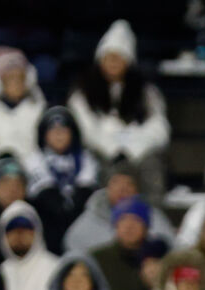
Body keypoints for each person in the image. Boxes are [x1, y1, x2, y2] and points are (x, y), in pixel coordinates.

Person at [69, 20, 170, 195]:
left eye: (119, 56)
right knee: (105, 170)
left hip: (138, 152)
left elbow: (159, 128)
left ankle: (151, 217)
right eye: (108, 56)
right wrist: (113, 149)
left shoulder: (147, 92)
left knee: (153, 167)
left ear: (129, 60)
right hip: (101, 152)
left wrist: (133, 149)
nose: (113, 62)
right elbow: (85, 128)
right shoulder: (83, 91)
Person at [63, 158, 178, 255]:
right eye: (116, 182)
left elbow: (171, 250)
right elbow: (72, 245)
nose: (122, 189)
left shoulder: (154, 217)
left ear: (138, 189)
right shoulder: (90, 218)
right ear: (106, 188)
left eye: (129, 183)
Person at [24, 106, 98, 251]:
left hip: (78, 215)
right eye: (52, 129)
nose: (58, 134)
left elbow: (86, 190)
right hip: (48, 218)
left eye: (64, 129)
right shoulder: (34, 159)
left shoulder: (86, 159)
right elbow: (45, 194)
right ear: (43, 135)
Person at [0, 200, 60, 290]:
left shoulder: (55, 266)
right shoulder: (0, 272)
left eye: (26, 228)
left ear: (37, 232)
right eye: (12, 229)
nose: (19, 234)